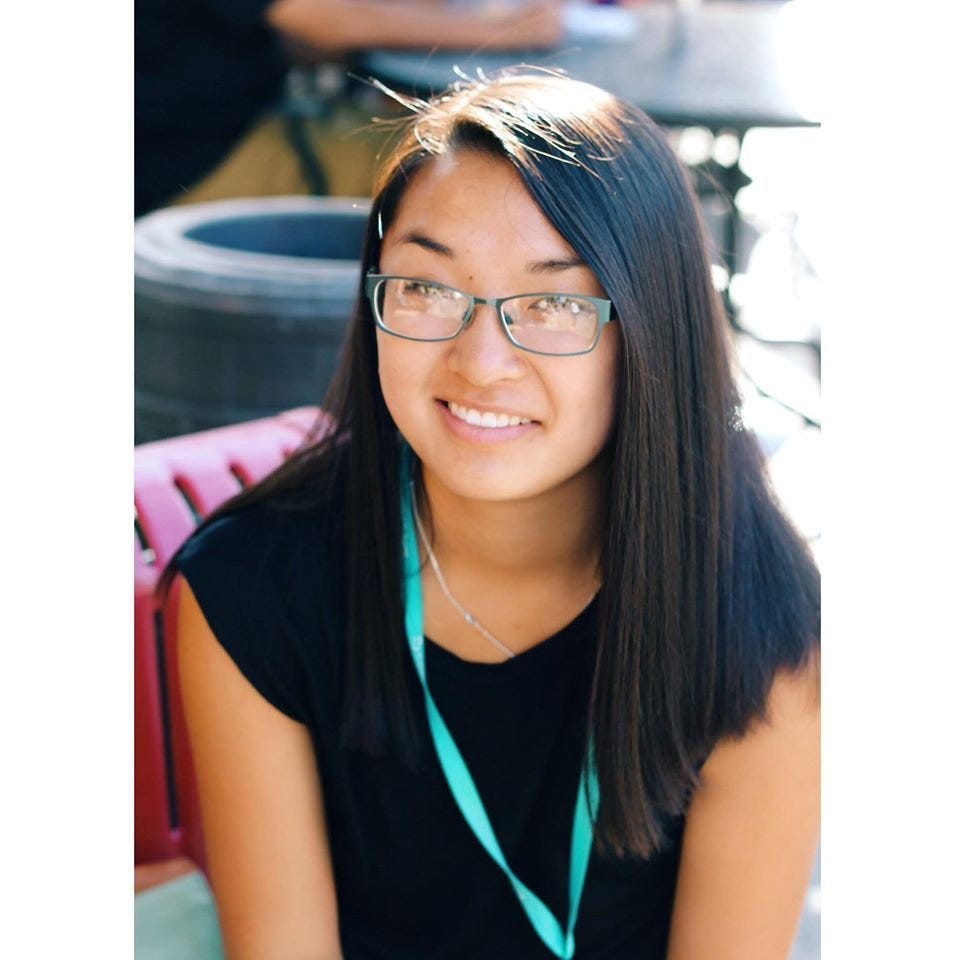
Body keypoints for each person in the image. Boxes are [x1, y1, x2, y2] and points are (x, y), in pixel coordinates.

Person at [164, 70, 821, 960]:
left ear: (651, 330)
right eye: (428, 288)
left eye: (554, 303)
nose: (480, 362)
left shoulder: (761, 623)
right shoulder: (251, 590)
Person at [135, 0, 563, 216]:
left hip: (223, 123)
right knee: (468, 163)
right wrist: (508, 31)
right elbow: (322, 21)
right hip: (191, 159)